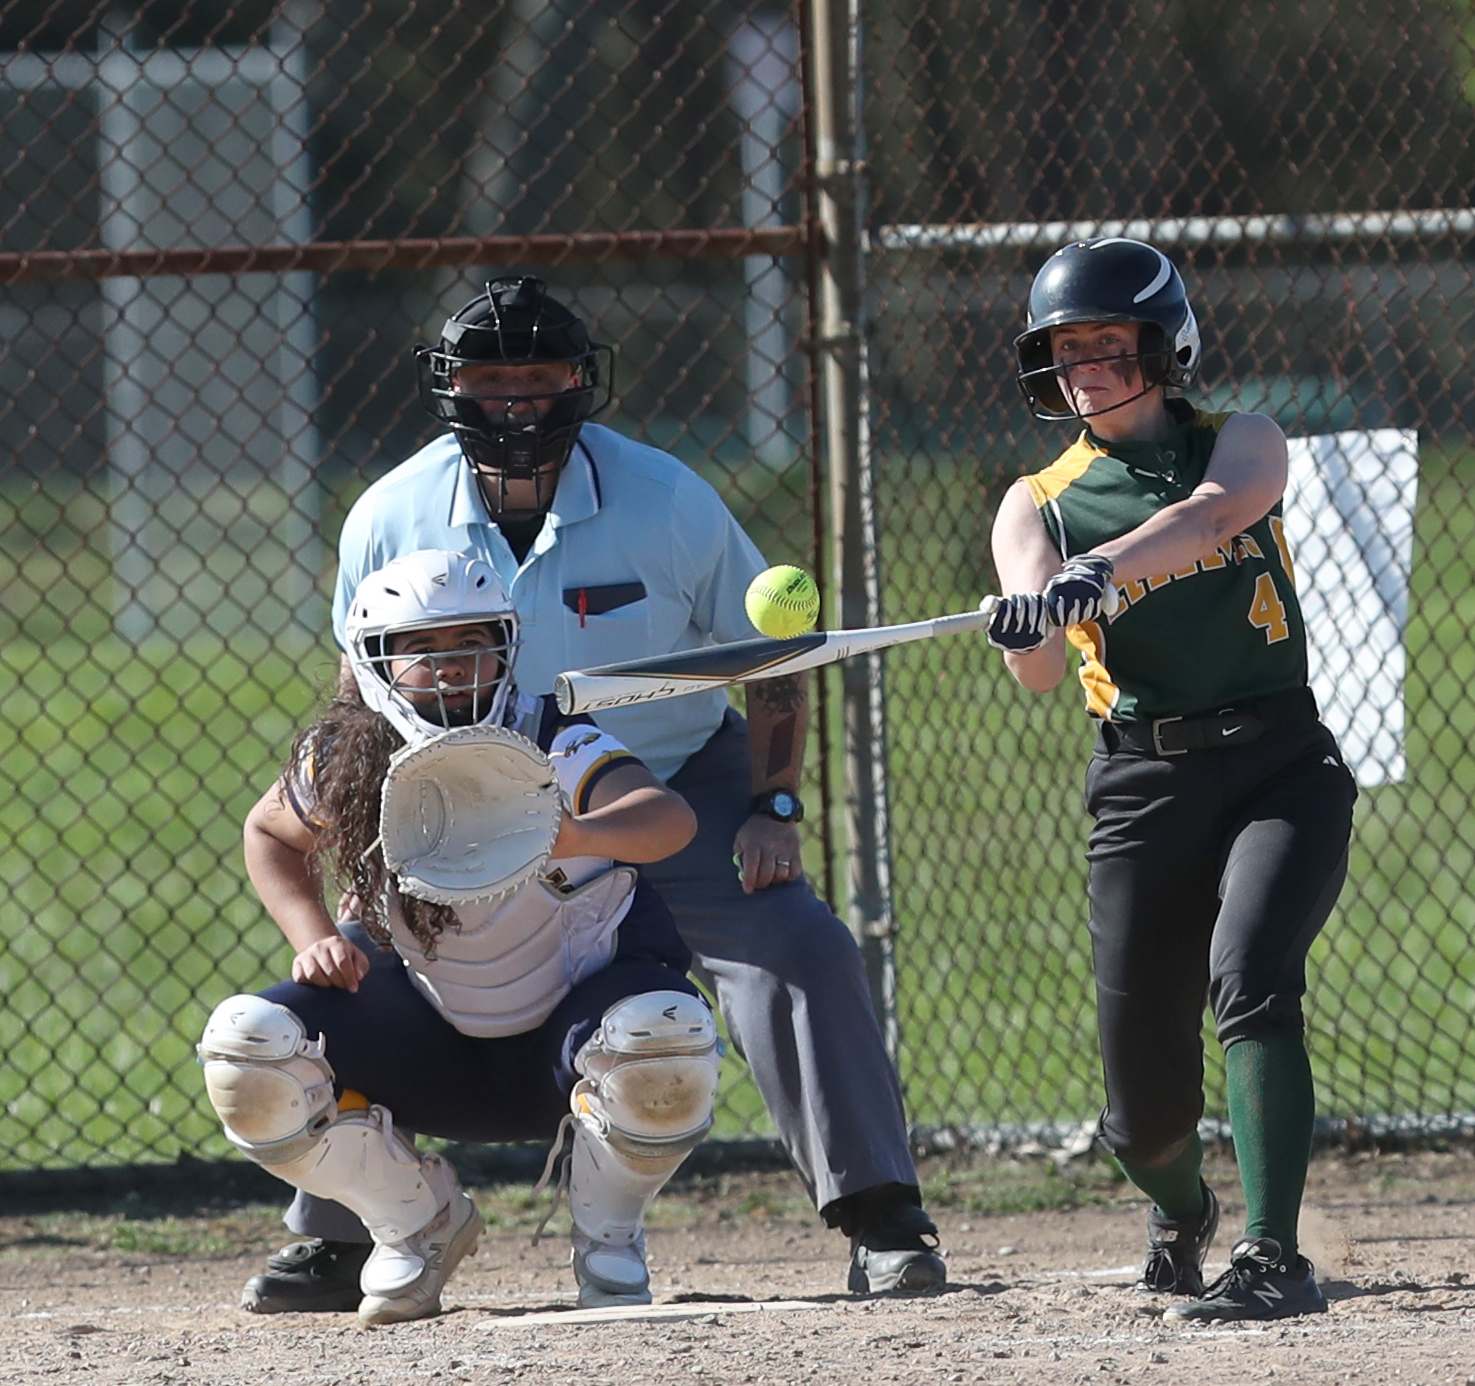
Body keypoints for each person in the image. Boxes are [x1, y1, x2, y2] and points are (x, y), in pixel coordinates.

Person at [239, 277, 942, 1314]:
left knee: (798, 946)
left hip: (661, 777)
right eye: (489, 379)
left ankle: (879, 1214)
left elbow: (775, 657)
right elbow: (360, 684)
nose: (515, 400)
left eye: (539, 376)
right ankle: (354, 1229)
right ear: (450, 390)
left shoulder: (666, 499)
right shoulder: (390, 510)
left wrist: (772, 806)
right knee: (367, 969)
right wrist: (363, 849)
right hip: (444, 790)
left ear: (580, 384)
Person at [985, 238, 1357, 1323]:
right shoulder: (1034, 503)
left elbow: (1205, 519)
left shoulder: (1239, 441)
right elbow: (1040, 673)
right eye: (1065, 348)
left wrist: (1101, 572)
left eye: (1110, 342)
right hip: (1143, 787)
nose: (1086, 364)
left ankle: (1274, 1255)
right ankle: (1180, 1205)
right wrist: (1026, 617)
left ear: (1164, 344)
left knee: (1250, 974)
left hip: (1279, 764)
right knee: (1139, 1121)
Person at [202, 549, 720, 1323]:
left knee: (664, 1030)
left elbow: (668, 821)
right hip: (429, 1042)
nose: (450, 667)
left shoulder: (554, 735)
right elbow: (269, 834)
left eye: (470, 642)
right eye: (422, 650)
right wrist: (312, 934)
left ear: (506, 647)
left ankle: (608, 1239)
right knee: (249, 1047)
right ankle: (416, 1224)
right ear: (375, 662)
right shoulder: (349, 753)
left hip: (572, 1036)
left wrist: (566, 835)